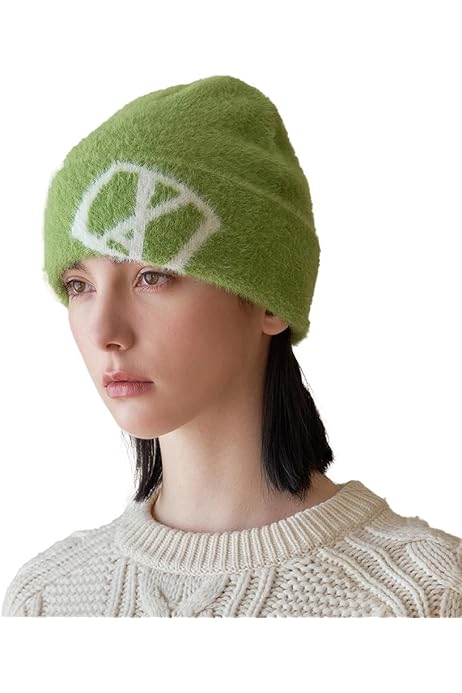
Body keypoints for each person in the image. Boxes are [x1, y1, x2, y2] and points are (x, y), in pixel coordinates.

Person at [2, 75, 461, 617]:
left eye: (153, 276)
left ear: (269, 301)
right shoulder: (44, 600)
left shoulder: (423, 598)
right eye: (79, 286)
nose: (105, 332)